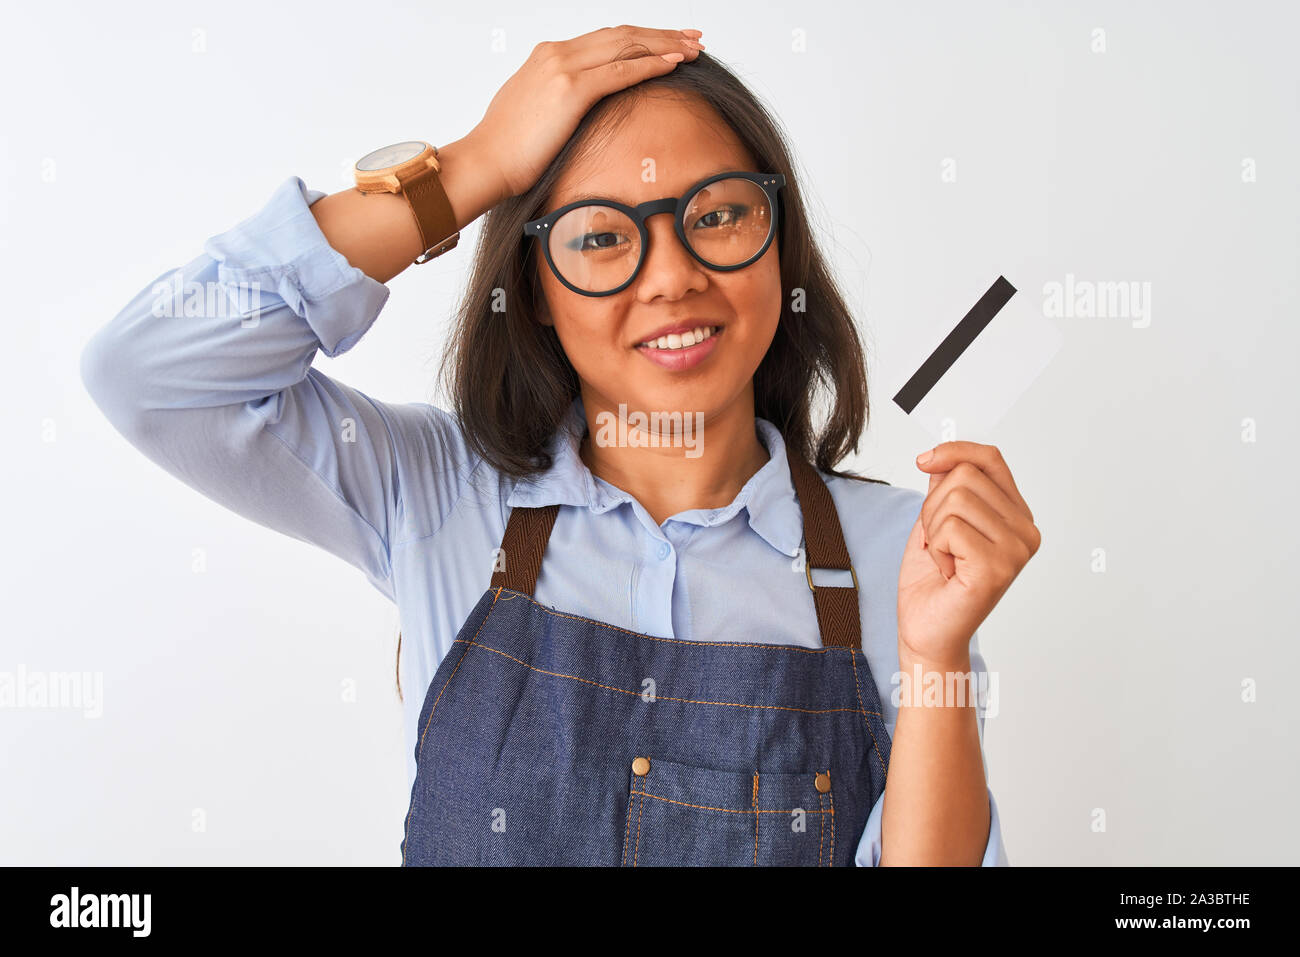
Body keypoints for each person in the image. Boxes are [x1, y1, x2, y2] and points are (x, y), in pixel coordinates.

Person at [80, 24, 1039, 865]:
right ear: (534, 288)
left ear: (776, 240)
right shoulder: (440, 495)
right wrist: (474, 166)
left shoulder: (905, 559)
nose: (672, 277)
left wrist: (937, 646)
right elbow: (149, 369)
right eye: (599, 238)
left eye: (717, 216)